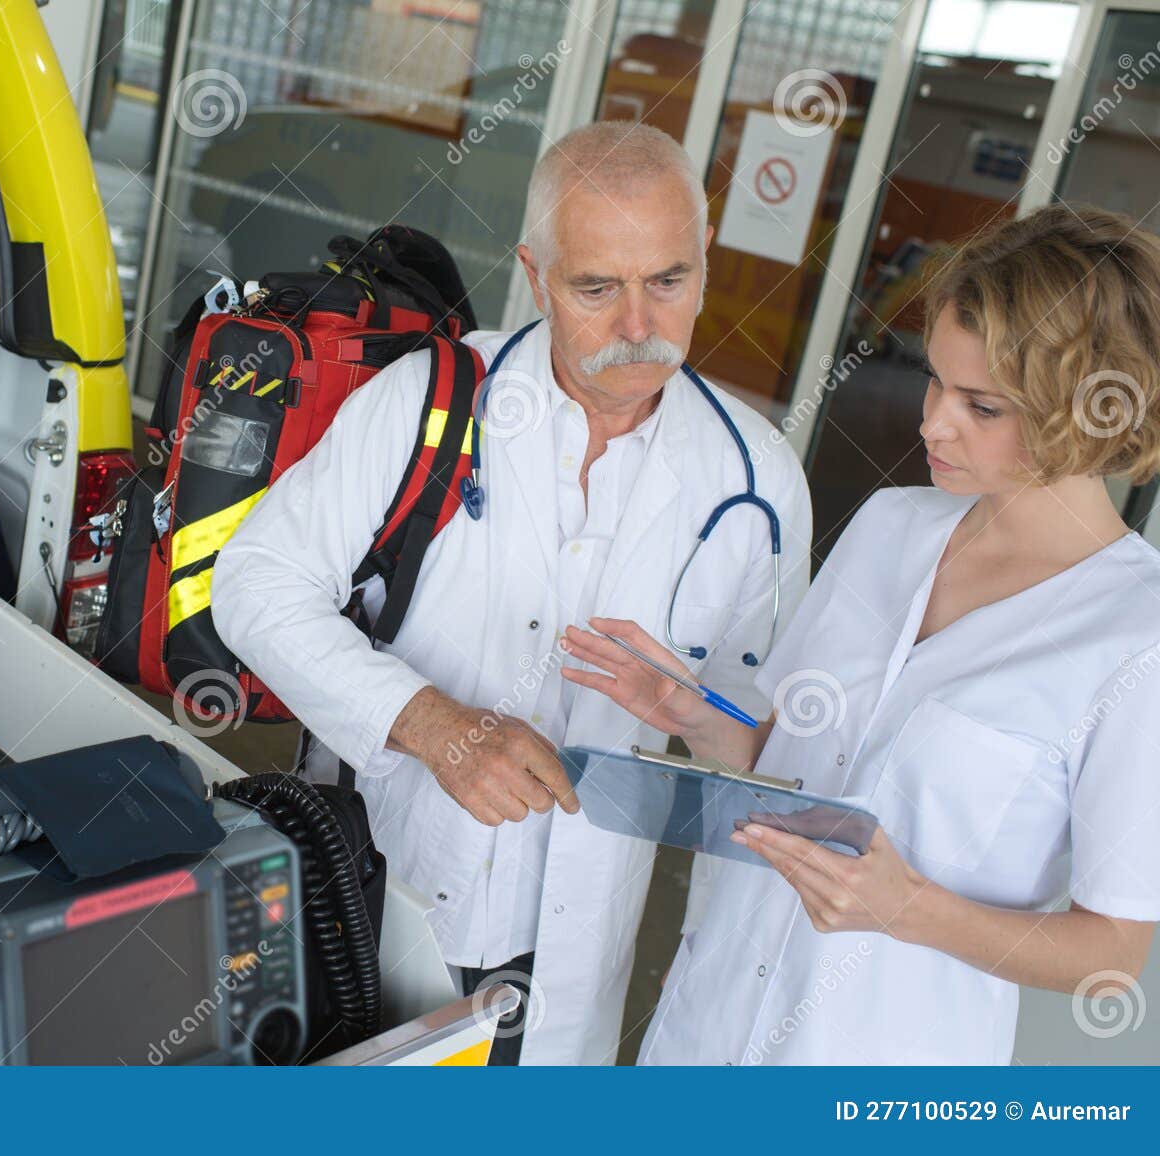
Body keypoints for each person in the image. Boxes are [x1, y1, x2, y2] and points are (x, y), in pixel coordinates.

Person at [212, 121, 811, 1064]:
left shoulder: (759, 484)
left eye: (669, 280)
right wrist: (435, 725)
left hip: (574, 945)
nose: (639, 327)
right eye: (596, 287)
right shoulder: (431, 400)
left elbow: (762, 752)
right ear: (535, 274)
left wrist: (692, 714)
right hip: (379, 890)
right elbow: (255, 585)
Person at [562, 202, 1160, 1064]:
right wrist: (691, 714)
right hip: (706, 1029)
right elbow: (797, 774)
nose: (932, 423)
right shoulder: (892, 524)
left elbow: (1113, 952)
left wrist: (908, 907)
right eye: (935, 380)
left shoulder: (1133, 639)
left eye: (981, 406)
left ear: (1092, 413)